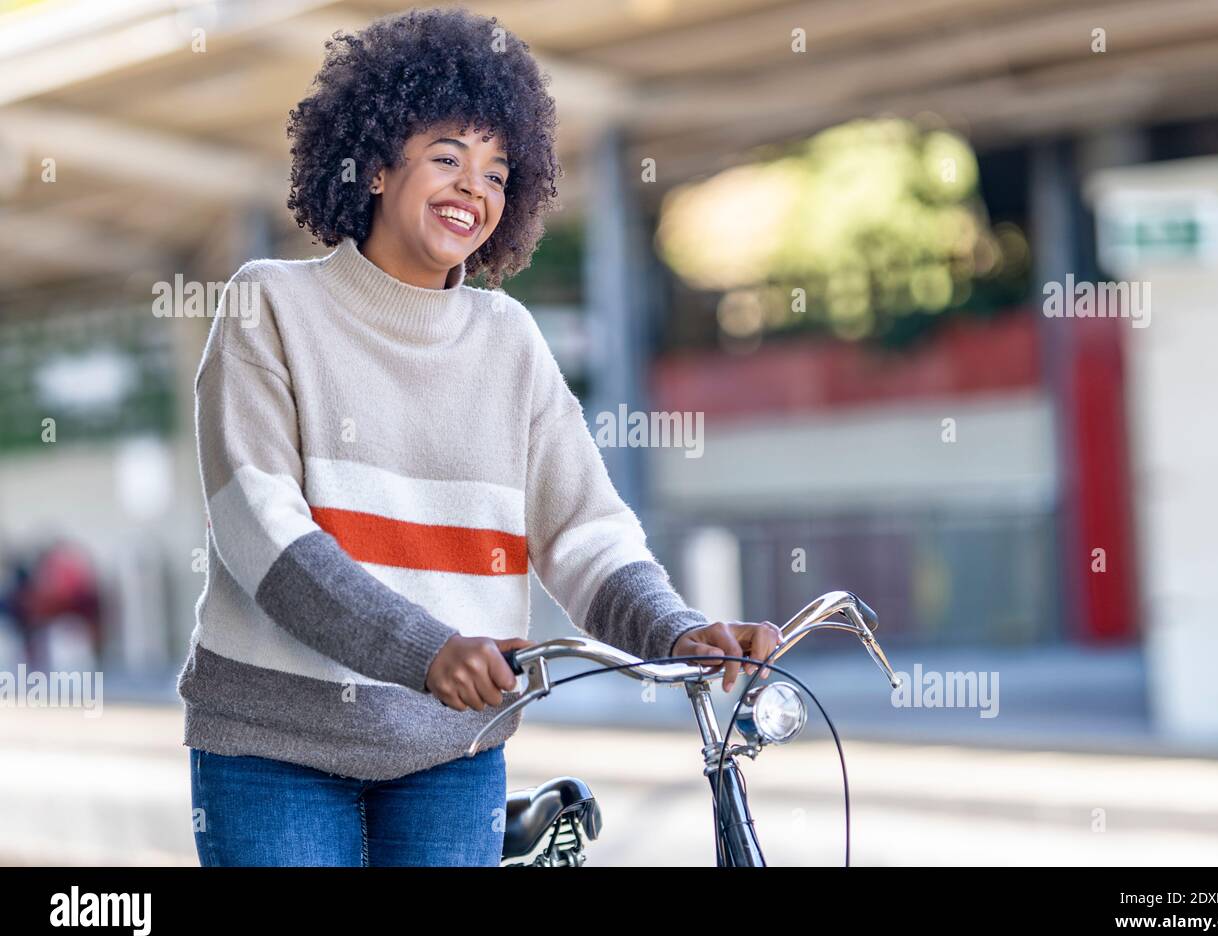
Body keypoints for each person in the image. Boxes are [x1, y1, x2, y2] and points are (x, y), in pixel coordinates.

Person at [179, 7, 779, 867]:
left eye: (499, 172)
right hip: (274, 747)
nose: (474, 188)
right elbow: (261, 534)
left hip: (451, 747)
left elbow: (585, 531)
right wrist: (426, 651)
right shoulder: (268, 306)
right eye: (448, 158)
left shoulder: (510, 342)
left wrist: (675, 631)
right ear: (378, 164)